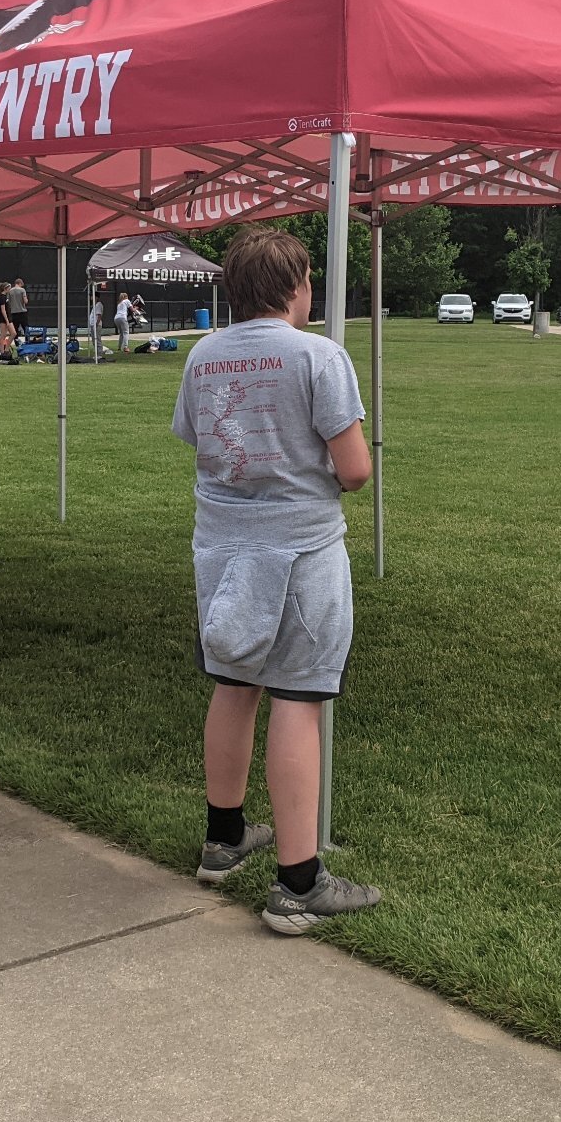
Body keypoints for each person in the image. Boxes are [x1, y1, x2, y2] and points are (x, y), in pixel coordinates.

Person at [173, 226, 380, 934]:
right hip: (299, 550)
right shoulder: (319, 356)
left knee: (233, 683)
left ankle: (223, 838)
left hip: (222, 550)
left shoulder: (202, 357)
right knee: (300, 693)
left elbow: (202, 443)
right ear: (297, 286)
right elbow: (354, 470)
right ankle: (298, 883)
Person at [0, 281, 16, 362]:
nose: (10, 289)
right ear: (5, 288)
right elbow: (3, 310)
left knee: (13, 333)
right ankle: (2, 352)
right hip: (3, 319)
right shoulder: (2, 297)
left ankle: (6, 350)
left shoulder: (6, 296)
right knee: (3, 335)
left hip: (8, 318)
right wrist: (6, 320)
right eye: (9, 288)